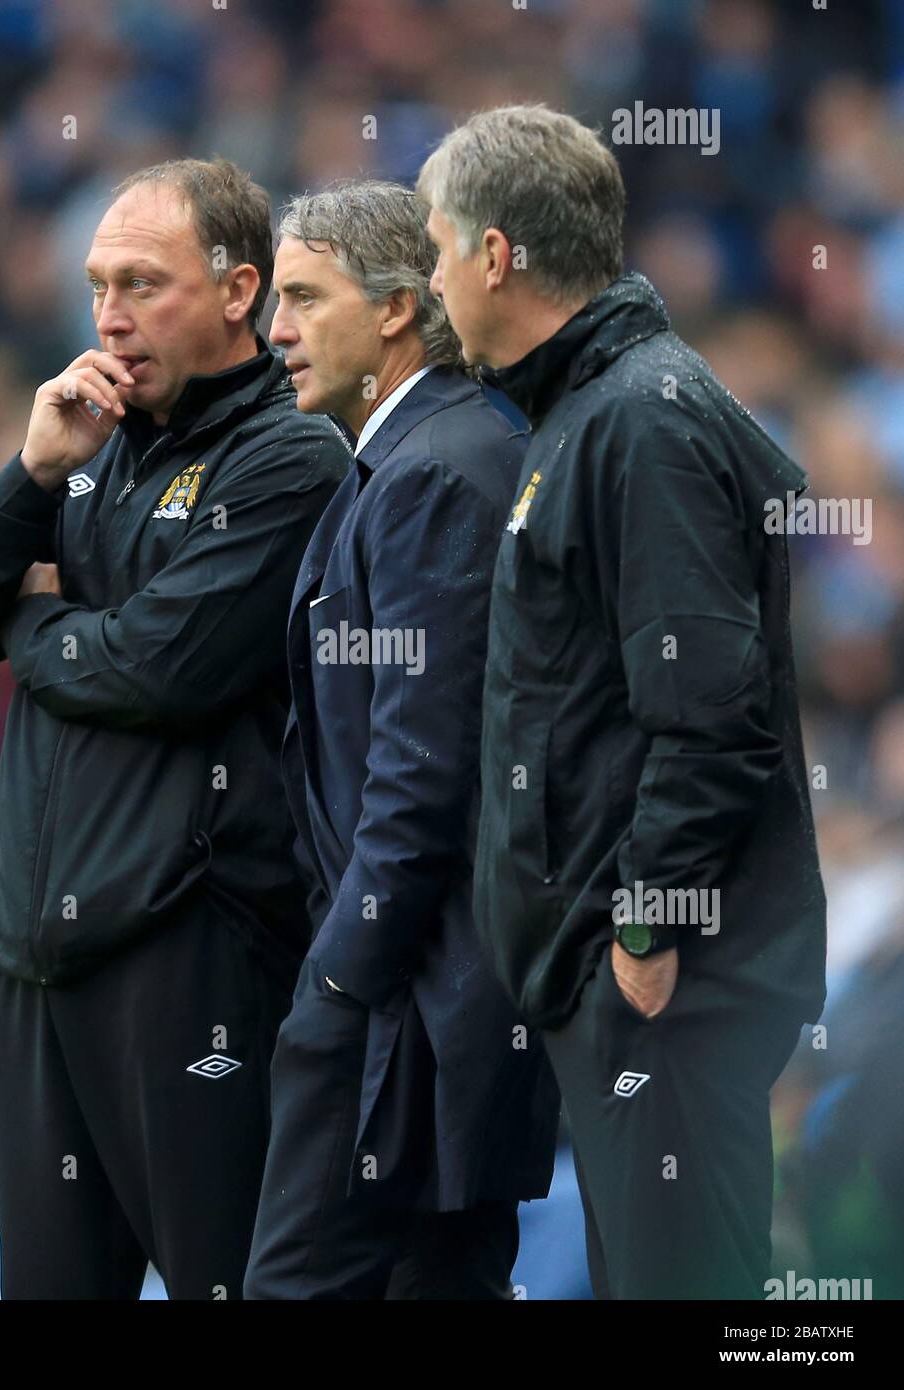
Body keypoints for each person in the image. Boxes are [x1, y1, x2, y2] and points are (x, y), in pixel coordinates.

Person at [0, 158, 350, 1299]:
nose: (110, 313)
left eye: (145, 284)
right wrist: (28, 473)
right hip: (37, 960)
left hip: (189, 948)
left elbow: (163, 668)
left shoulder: (289, 453)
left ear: (240, 289)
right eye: (100, 284)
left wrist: (39, 616)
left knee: (227, 1282)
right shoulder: (83, 437)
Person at [418, 106, 827, 1300]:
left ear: (495, 256)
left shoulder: (639, 420)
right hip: (623, 977)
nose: (436, 283)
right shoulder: (591, 409)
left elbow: (710, 712)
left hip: (664, 983)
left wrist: (645, 926)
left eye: (441, 249)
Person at [243, 181, 559, 1301]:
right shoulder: (414, 458)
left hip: (412, 1003)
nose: (274, 332)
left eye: (301, 298)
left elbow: (421, 774)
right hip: (420, 994)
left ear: (392, 310)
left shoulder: (431, 470)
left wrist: (336, 981)